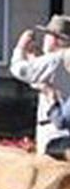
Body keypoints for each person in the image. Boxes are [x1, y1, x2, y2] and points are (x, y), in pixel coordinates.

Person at [11, 14, 70, 155]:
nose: (44, 39)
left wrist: (20, 47)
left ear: (56, 39)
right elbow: (40, 78)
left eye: (47, 35)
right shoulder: (60, 59)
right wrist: (33, 57)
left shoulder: (56, 59)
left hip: (55, 128)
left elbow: (20, 70)